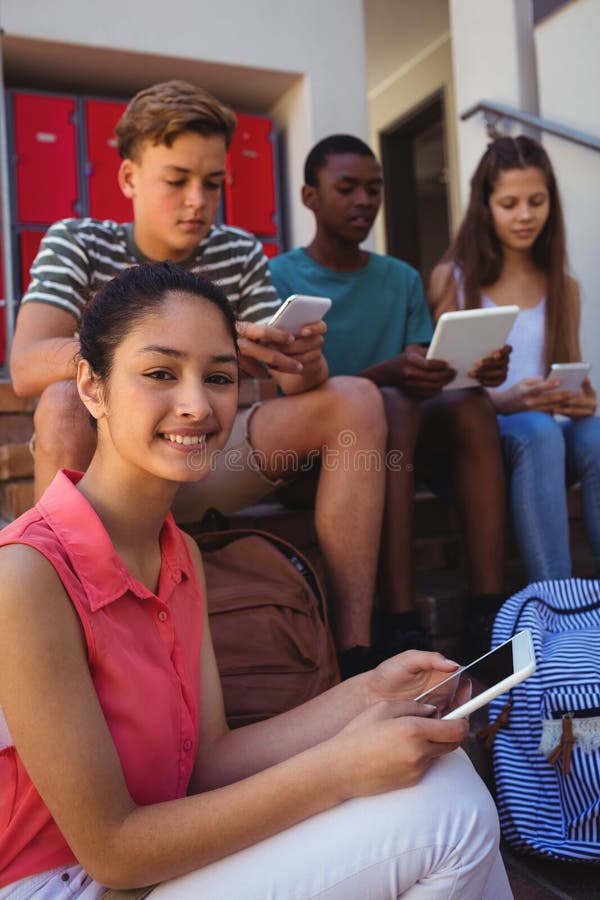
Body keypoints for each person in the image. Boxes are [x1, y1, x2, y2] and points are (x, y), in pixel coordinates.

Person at [0, 262, 512, 899]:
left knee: (445, 777)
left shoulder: (178, 552)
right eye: (160, 373)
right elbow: (113, 852)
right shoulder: (27, 575)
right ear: (91, 386)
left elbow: (209, 760)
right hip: (68, 884)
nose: (196, 404)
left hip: (157, 864)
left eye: (218, 377)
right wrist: (338, 770)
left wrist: (368, 694)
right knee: (447, 819)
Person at [8, 82, 388, 676]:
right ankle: (67, 640)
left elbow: (293, 385)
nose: (198, 201)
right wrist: (168, 349)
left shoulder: (238, 250)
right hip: (112, 466)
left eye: (212, 183)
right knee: (61, 402)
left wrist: (303, 357)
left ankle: (355, 651)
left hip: (211, 453)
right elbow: (27, 363)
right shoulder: (78, 241)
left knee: (356, 398)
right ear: (129, 177)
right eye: (177, 180)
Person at [270, 134, 510, 657]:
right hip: (318, 458)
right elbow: (281, 392)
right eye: (347, 189)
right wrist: (386, 374)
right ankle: (399, 615)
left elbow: (418, 364)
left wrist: (471, 368)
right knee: (391, 403)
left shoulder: (400, 277)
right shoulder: (277, 276)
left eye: (374, 189)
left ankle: (488, 612)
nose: (364, 201)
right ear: (310, 196)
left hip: (400, 450)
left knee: (469, 404)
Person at [428, 134, 600, 582]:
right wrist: (507, 401)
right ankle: (555, 599)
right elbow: (442, 395)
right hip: (481, 447)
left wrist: (580, 401)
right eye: (510, 203)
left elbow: (565, 376)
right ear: (485, 206)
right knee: (537, 428)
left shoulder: (564, 288)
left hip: (546, 446)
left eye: (537, 201)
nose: (525, 215)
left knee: (595, 433)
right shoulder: (453, 280)